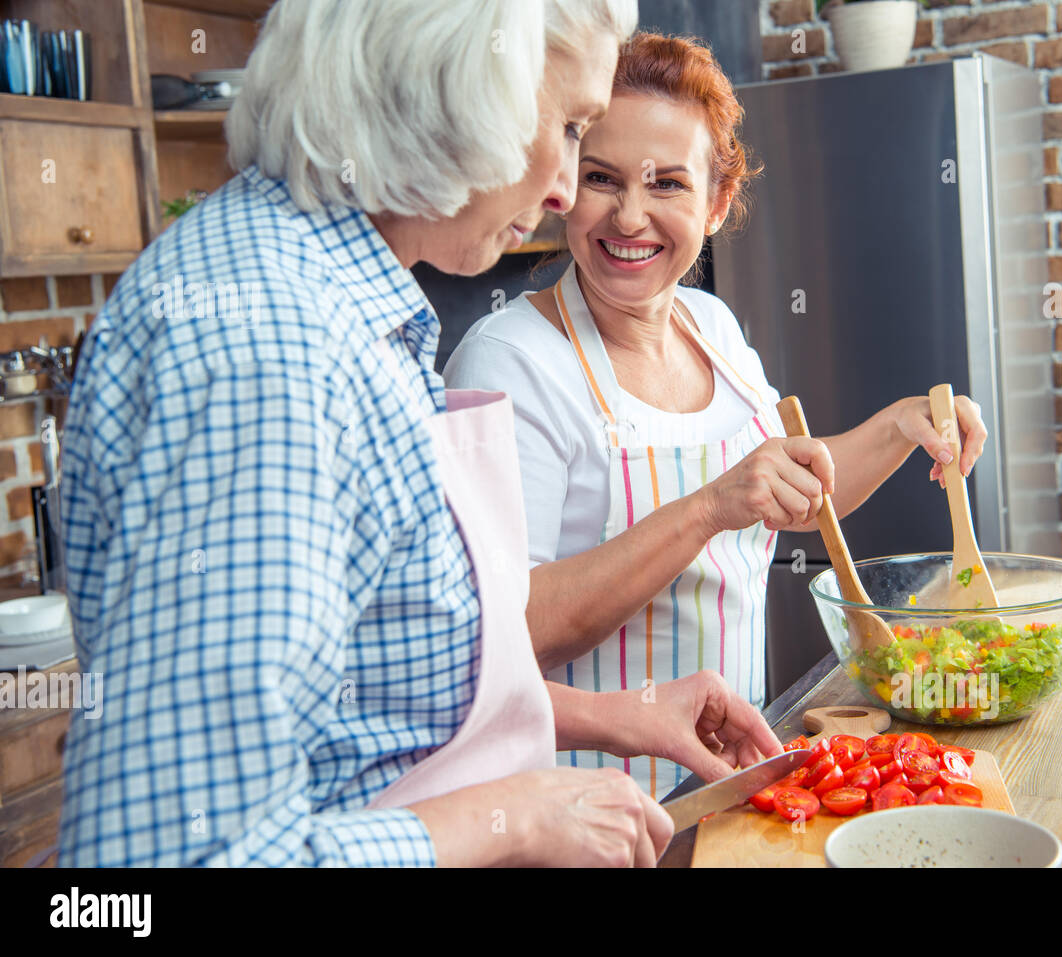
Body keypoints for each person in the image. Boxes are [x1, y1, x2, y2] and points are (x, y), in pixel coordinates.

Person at [56, 0, 780, 869]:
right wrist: (513, 816)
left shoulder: (342, 296)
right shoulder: (272, 350)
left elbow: (366, 698)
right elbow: (172, 860)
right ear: (447, 89)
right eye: (567, 127)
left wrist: (617, 714)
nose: (563, 189)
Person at [444, 33, 989, 799]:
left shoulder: (711, 327)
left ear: (717, 203)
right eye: (601, 177)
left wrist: (900, 425)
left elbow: (797, 491)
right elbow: (507, 629)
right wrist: (707, 508)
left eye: (666, 183)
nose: (628, 216)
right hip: (587, 812)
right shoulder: (508, 362)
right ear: (565, 184)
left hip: (730, 785)